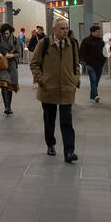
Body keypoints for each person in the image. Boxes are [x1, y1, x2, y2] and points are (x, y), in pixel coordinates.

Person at [30, 17, 79, 163]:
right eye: (62, 28)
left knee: (67, 120)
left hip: (66, 88)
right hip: (48, 89)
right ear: (54, 30)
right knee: (49, 119)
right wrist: (42, 80)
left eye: (66, 28)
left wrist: (75, 80)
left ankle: (69, 151)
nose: (65, 31)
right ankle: (50, 144)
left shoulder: (73, 44)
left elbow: (76, 64)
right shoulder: (43, 44)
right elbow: (34, 64)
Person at [0, 23, 21, 115]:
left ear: (11, 32)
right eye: (4, 33)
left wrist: (12, 55)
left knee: (10, 85)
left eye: (8, 33)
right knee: (4, 83)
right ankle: (6, 107)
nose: (6, 35)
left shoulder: (15, 39)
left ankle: (9, 106)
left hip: (12, 64)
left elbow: (19, 53)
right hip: (1, 64)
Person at [80, 24, 106, 103]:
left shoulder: (101, 41)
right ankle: (96, 96)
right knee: (93, 80)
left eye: (99, 32)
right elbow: (82, 52)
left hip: (99, 64)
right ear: (92, 32)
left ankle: (92, 95)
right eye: (97, 32)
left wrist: (103, 61)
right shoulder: (86, 41)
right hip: (90, 65)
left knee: (96, 81)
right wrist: (86, 61)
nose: (99, 33)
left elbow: (105, 52)